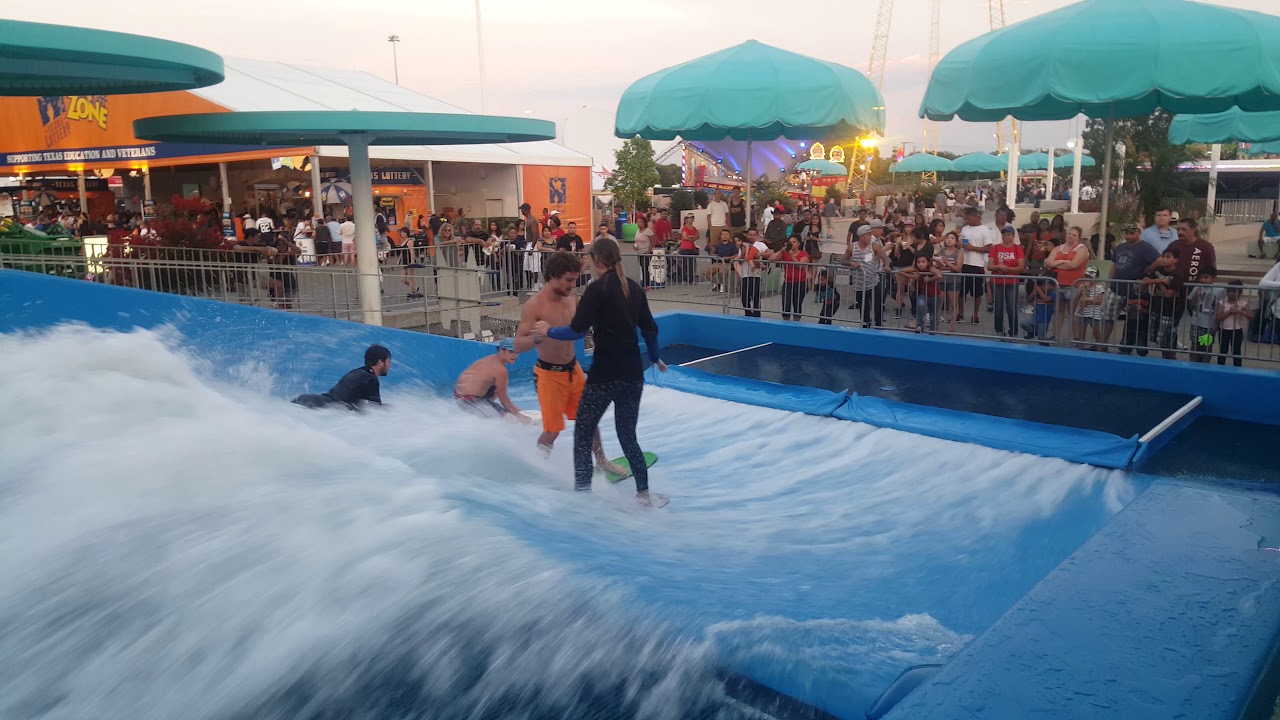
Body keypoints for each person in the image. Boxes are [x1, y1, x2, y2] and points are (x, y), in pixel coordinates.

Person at [532, 237, 666, 505]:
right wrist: (654, 357)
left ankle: (583, 495)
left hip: (604, 375)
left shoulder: (597, 289)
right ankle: (643, 495)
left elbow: (577, 331)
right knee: (628, 436)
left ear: (596, 260)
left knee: (583, 432)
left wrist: (548, 330)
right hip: (632, 375)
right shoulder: (635, 289)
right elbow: (651, 329)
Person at [515, 251, 626, 475]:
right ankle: (538, 470)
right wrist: (537, 337)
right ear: (553, 276)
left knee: (590, 418)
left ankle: (602, 461)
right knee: (552, 431)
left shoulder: (571, 296)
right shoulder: (535, 306)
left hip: (573, 370)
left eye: (574, 279)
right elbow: (518, 345)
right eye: (568, 279)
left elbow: (579, 328)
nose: (572, 284)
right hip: (548, 375)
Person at [293, 345, 391, 411]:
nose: (389, 365)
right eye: (388, 361)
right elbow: (375, 413)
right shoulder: (370, 379)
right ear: (380, 362)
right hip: (320, 407)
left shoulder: (357, 372)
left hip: (307, 400)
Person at [454, 338, 531, 419]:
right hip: (470, 400)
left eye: (517, 352)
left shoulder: (491, 358)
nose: (514, 355)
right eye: (511, 351)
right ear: (501, 351)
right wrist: (518, 415)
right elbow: (504, 400)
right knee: (509, 418)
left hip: (459, 396)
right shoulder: (500, 370)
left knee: (495, 388)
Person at [1045, 226, 1090, 340]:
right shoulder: (1058, 248)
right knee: (1059, 311)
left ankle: (1076, 337)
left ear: (1078, 238)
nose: (1070, 236)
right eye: (1069, 233)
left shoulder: (1082, 249)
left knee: (1074, 312)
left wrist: (1057, 264)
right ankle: (1055, 335)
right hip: (1058, 283)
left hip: (1074, 284)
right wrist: (1064, 261)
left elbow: (1074, 265)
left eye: (1074, 235)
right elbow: (1048, 262)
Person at [842, 224, 891, 327]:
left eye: (870, 235)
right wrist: (851, 263)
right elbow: (843, 260)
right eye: (868, 235)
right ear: (861, 236)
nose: (870, 237)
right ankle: (865, 325)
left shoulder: (874, 246)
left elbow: (884, 257)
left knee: (877, 305)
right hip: (859, 283)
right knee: (863, 307)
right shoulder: (852, 247)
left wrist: (887, 266)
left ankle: (878, 324)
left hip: (874, 281)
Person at [959, 207, 997, 325]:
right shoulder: (965, 229)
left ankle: (975, 315)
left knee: (977, 293)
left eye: (969, 219)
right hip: (964, 263)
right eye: (966, 219)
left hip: (977, 264)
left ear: (976, 217)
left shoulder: (984, 230)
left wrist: (973, 248)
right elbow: (961, 241)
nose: (967, 221)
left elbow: (989, 248)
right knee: (961, 292)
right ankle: (960, 313)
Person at [987, 225, 1026, 337]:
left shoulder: (1017, 248)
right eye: (1004, 234)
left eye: (1009, 234)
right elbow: (990, 266)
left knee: (1011, 307)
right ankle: (999, 331)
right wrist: (1000, 267)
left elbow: (1021, 267)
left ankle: (1013, 331)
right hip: (997, 281)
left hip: (1012, 282)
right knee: (998, 307)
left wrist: (1007, 269)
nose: (1006, 236)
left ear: (1013, 236)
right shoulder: (995, 248)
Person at [1186, 266, 1222, 363]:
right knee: (1195, 345)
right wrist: (1197, 296)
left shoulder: (1219, 290)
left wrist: (1216, 324)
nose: (1203, 280)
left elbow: (1220, 308)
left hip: (1209, 325)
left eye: (1206, 277)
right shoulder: (1197, 288)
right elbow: (1190, 305)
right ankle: (1193, 365)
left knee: (1206, 346)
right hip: (1196, 323)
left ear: (1213, 278)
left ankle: (1204, 366)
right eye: (1201, 277)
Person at [900, 254, 943, 332]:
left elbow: (939, 275)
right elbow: (901, 271)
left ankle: (933, 330)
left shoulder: (931, 268)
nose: (920, 264)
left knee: (933, 313)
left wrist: (929, 279)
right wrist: (912, 277)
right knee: (920, 306)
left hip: (935, 294)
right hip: (923, 293)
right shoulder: (916, 270)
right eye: (918, 262)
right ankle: (920, 325)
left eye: (923, 262)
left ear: (927, 262)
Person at [773, 236, 811, 321]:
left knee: (797, 303)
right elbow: (772, 259)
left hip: (800, 282)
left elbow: (800, 266)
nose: (792, 244)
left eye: (794, 242)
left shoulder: (803, 254)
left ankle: (796, 321)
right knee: (786, 303)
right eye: (790, 242)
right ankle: (786, 321)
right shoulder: (785, 253)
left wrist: (792, 256)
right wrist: (781, 250)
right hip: (788, 282)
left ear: (798, 244)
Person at [1217, 281, 1253, 366]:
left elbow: (1251, 315)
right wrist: (1229, 312)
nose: (1231, 293)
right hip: (1224, 330)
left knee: (1236, 351)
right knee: (1223, 350)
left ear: (1240, 292)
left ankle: (1237, 368)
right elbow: (1218, 317)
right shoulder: (1222, 302)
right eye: (1229, 291)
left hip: (1237, 331)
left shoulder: (1242, 303)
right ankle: (1220, 368)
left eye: (1234, 291)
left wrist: (1239, 311)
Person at [733, 231, 768, 317]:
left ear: (756, 235)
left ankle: (756, 315)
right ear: (747, 236)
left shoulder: (760, 245)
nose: (752, 236)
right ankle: (748, 313)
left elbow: (769, 254)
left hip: (756, 275)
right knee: (745, 297)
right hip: (745, 275)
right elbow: (741, 258)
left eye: (754, 235)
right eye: (750, 235)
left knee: (755, 296)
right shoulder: (743, 246)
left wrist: (760, 254)